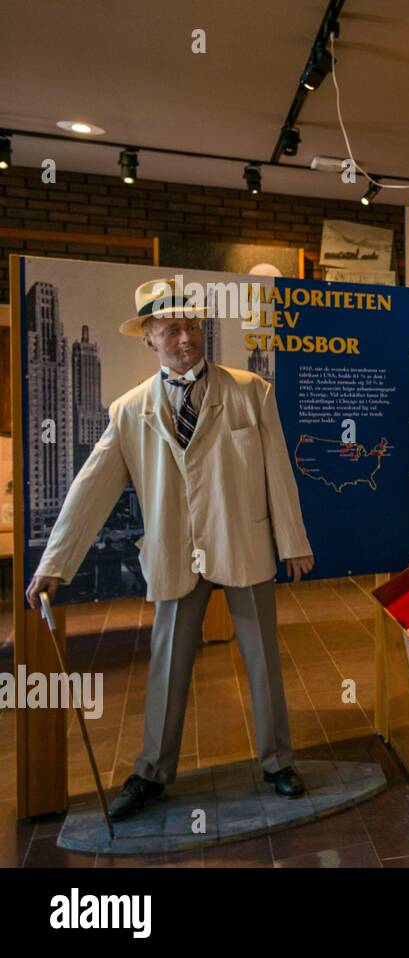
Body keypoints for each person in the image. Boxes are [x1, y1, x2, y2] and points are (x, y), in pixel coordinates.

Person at [25, 278, 314, 821]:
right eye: (172, 329)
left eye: (192, 325)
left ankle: (278, 762)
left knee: (263, 660)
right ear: (149, 339)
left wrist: (293, 541)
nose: (186, 337)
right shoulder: (129, 410)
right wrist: (54, 564)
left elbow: (280, 470)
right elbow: (90, 489)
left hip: (243, 541)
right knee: (167, 665)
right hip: (175, 553)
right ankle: (152, 772)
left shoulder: (251, 391)